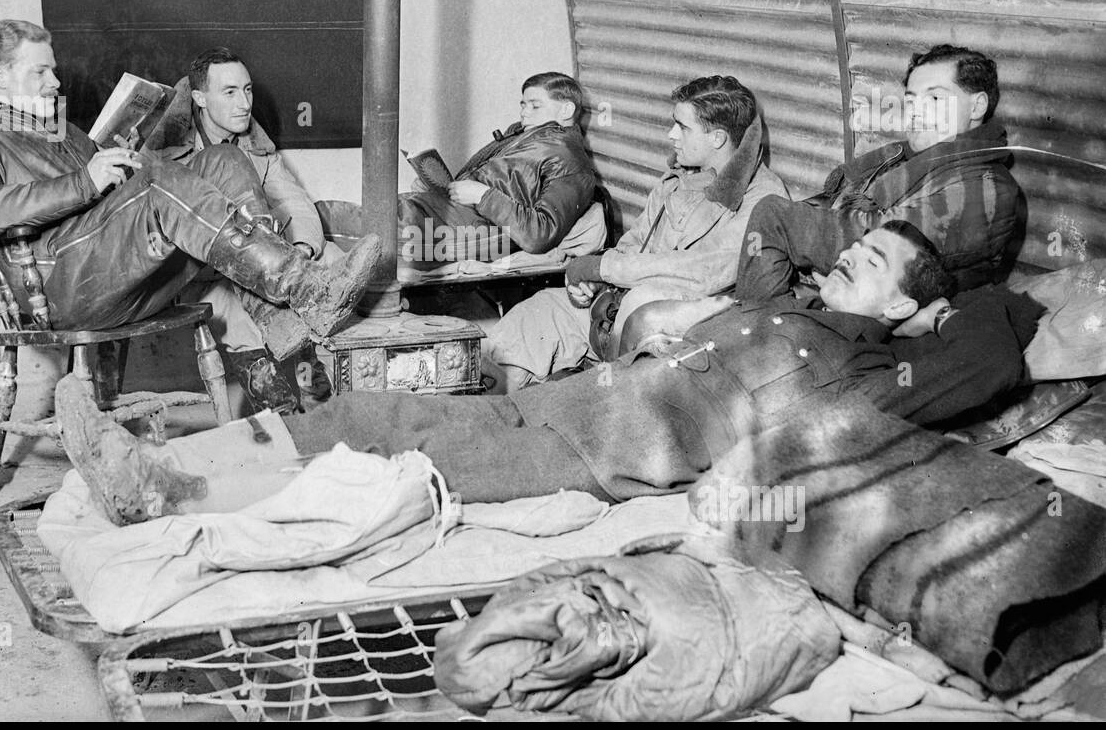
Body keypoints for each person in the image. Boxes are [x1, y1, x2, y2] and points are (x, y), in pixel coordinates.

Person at [55, 220, 1041, 523]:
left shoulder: (877, 366)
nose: (844, 262)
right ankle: (166, 461)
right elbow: (779, 251)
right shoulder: (802, 312)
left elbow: (993, 347)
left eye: (869, 263)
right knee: (360, 404)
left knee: (378, 443)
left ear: (912, 306)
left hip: (598, 447)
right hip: (570, 400)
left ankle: (172, 489)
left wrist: (986, 298)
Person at [0, 19, 381, 360]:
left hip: (109, 268)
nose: (56, 82)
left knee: (223, 159)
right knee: (155, 180)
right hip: (59, 286)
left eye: (54, 71)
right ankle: (304, 290)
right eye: (41, 73)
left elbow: (106, 203)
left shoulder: (60, 130)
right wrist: (88, 179)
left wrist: (121, 159)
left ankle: (272, 304)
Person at [483, 75, 789, 390]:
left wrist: (606, 268)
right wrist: (594, 280)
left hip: (690, 327)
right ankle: (478, 406)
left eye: (682, 127)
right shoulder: (678, 180)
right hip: (620, 308)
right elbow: (634, 243)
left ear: (718, 138)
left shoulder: (762, 197)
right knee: (538, 312)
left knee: (641, 304)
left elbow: (708, 271)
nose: (672, 136)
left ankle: (602, 404)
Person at [737, 44, 1023, 303]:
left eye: (935, 99)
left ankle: (754, 334)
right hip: (835, 297)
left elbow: (887, 248)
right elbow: (828, 205)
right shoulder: (901, 158)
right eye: (910, 100)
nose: (916, 112)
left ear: (977, 106)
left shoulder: (988, 188)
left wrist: (789, 229)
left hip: (887, 330)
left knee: (771, 214)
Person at [142, 46, 334, 413]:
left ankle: (319, 404)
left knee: (299, 283)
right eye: (229, 92)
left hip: (260, 273)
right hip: (194, 273)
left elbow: (295, 202)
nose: (244, 102)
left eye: (247, 90)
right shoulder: (167, 157)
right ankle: (284, 415)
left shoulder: (257, 150)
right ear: (199, 98)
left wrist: (303, 251)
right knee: (230, 309)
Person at [397, 72, 596, 268]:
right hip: (459, 216)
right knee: (380, 212)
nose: (524, 112)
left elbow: (539, 234)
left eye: (535, 106)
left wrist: (482, 195)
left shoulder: (569, 160)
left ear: (566, 110)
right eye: (523, 105)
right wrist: (440, 188)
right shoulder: (526, 136)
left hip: (475, 231)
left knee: (380, 224)